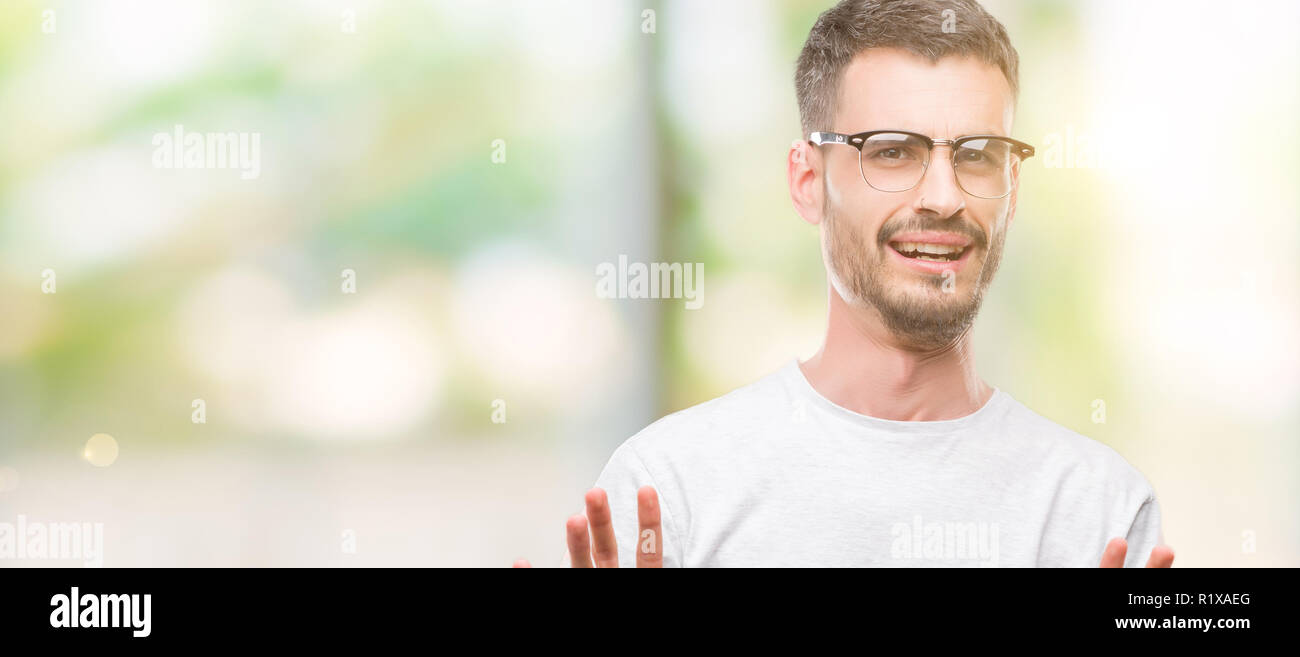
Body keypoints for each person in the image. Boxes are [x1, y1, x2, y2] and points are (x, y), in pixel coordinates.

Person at [516, 0, 1174, 568]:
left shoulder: (1103, 508)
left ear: (1013, 186)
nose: (944, 197)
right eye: (892, 150)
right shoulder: (670, 490)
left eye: (978, 155)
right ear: (808, 180)